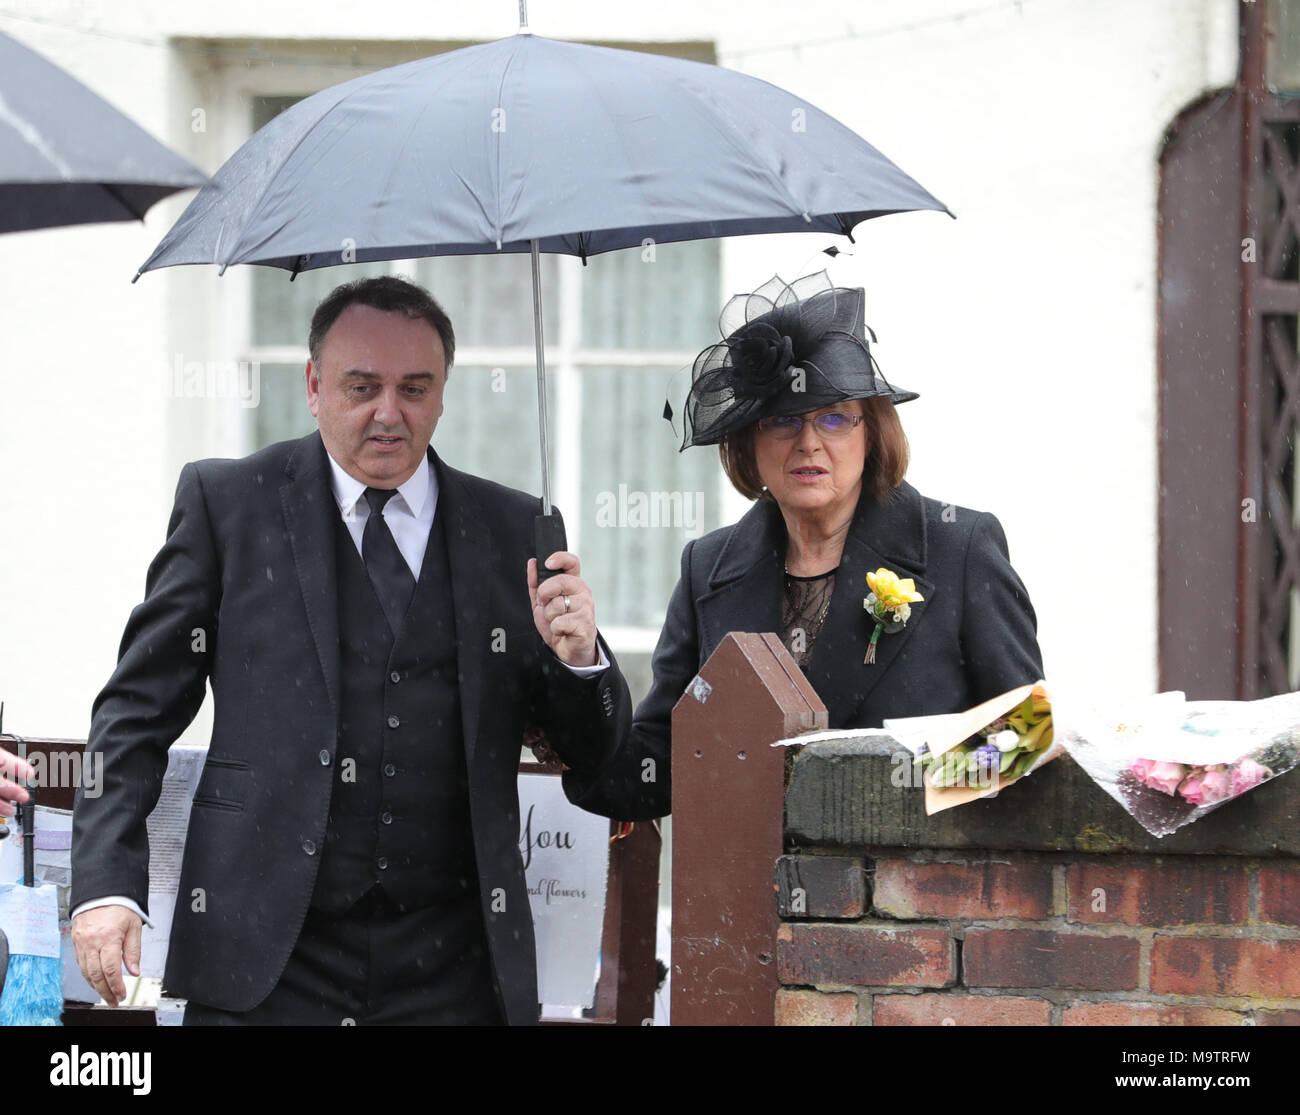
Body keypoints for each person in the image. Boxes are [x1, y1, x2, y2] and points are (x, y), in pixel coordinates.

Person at [70, 276, 634, 1025]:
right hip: (266, 960)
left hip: (456, 969)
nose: (388, 413)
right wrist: (107, 885)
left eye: (414, 387)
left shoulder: (514, 529)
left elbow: (595, 757)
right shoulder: (228, 506)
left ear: (442, 394)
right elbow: (134, 712)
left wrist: (579, 658)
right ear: (312, 384)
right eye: (362, 386)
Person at [571, 273, 1043, 821]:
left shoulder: (958, 547)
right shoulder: (707, 568)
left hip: (903, 893)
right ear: (748, 442)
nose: (809, 442)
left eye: (835, 417)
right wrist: (581, 668)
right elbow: (654, 772)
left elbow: (1026, 733)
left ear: (873, 433)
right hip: (748, 898)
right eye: (782, 421)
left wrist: (890, 798)